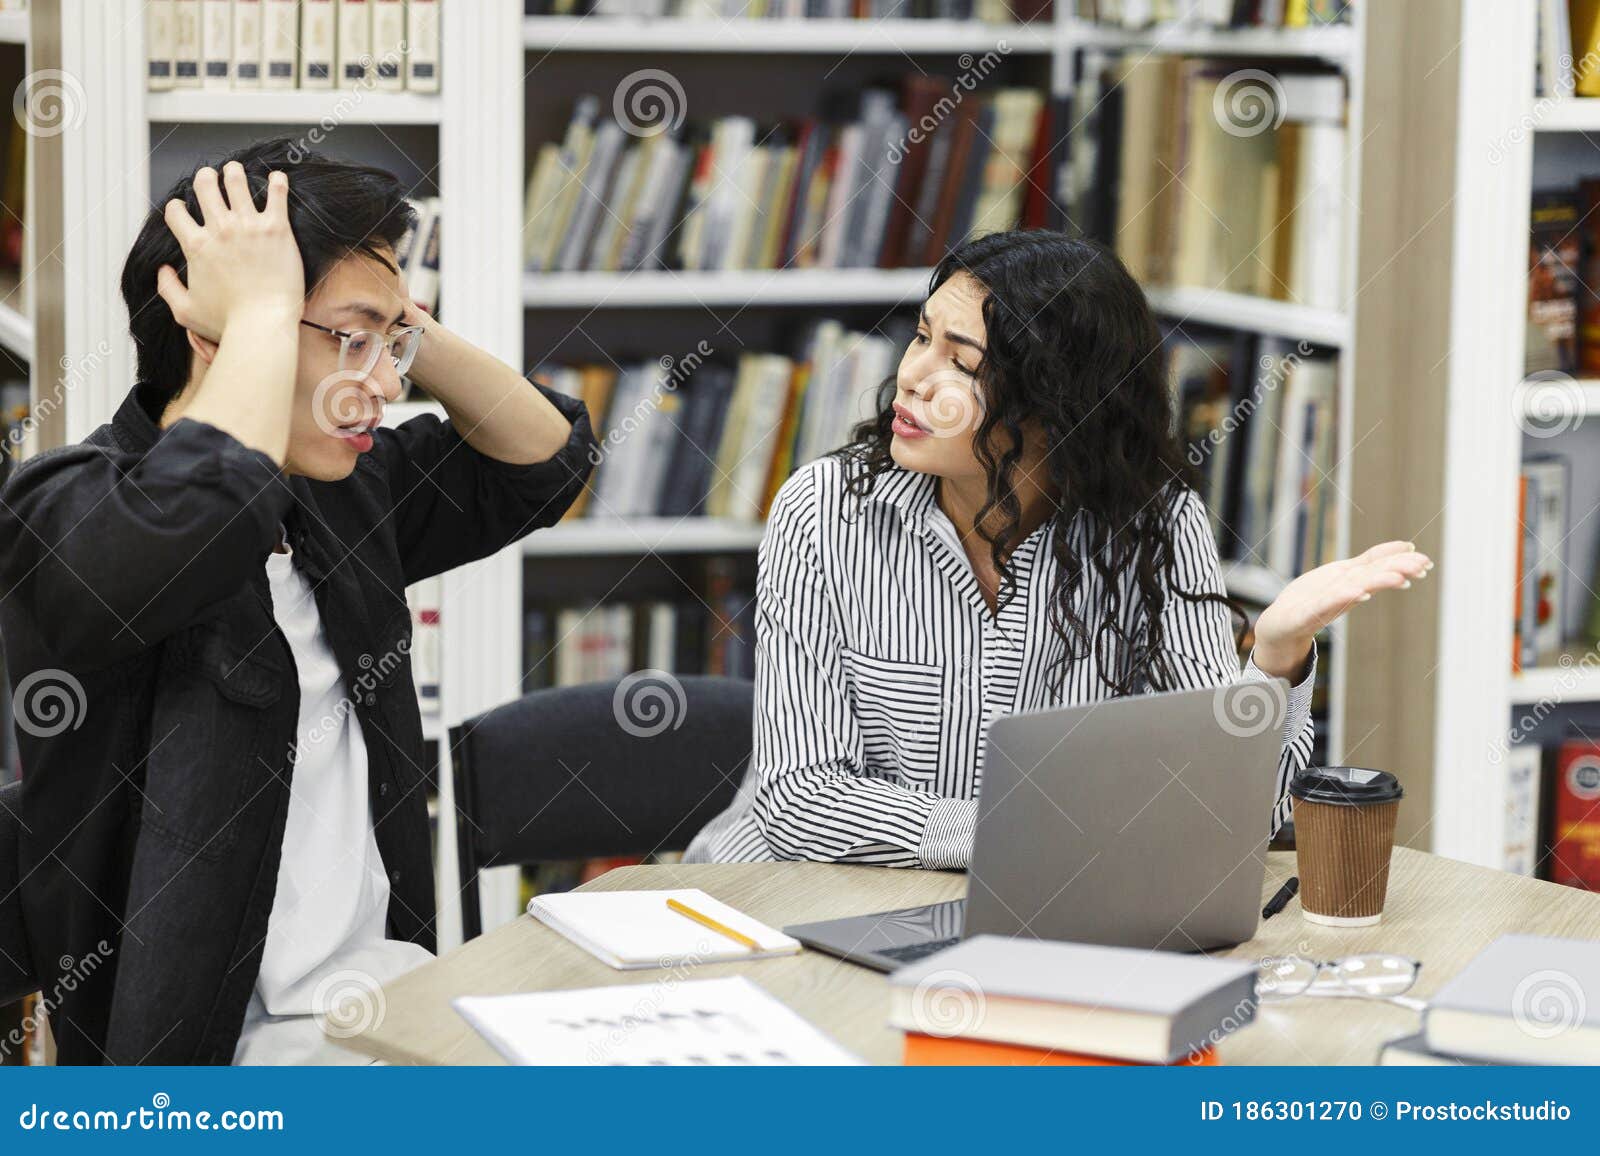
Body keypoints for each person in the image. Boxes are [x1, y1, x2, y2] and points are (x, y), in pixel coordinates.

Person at [0, 139, 596, 1064]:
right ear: (215, 334)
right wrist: (273, 313)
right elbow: (184, 528)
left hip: (386, 1007)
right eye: (351, 341)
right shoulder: (68, 505)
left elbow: (543, 461)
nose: (390, 389)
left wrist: (399, 326)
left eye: (389, 347)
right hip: (207, 1058)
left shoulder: (339, 493)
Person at [686, 229, 1431, 867]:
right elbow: (799, 801)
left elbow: (1229, 820)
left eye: (960, 361)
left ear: (1053, 402)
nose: (911, 376)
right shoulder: (823, 512)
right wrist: (1038, 836)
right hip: (787, 901)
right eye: (920, 338)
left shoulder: (1155, 528)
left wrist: (1274, 657)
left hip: (1034, 915)